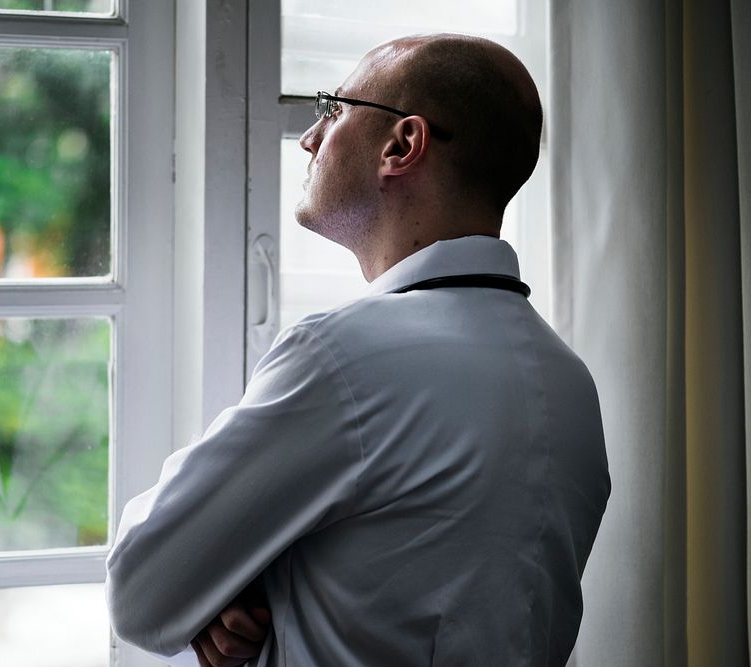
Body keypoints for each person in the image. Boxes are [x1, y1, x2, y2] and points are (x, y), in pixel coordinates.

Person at [107, 33, 611, 667]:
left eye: (334, 108)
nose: (309, 138)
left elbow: (141, 592)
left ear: (401, 145)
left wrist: (232, 574)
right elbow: (420, 569)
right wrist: (274, 582)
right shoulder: (570, 383)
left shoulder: (343, 358)